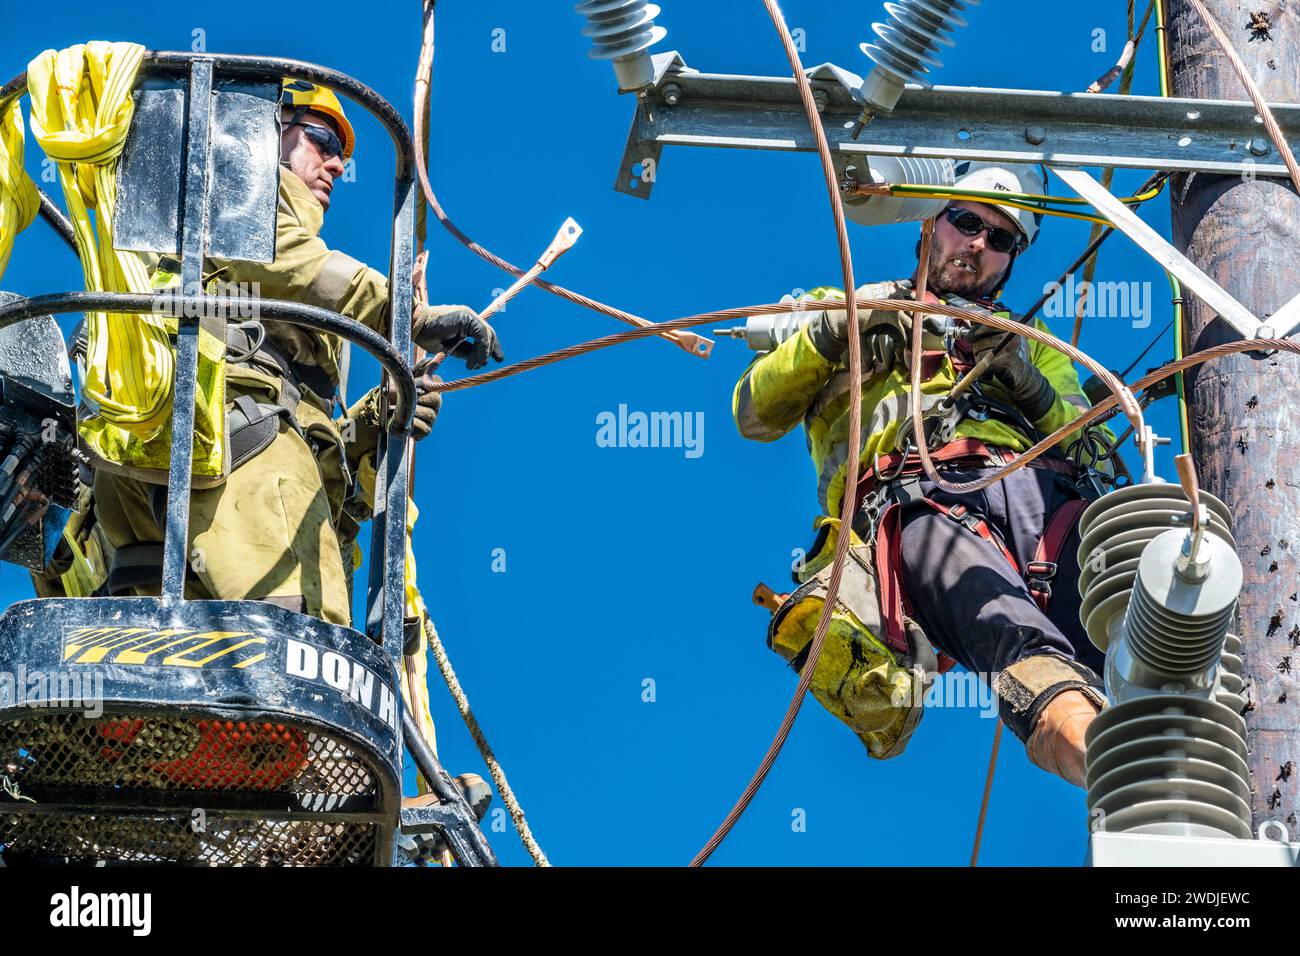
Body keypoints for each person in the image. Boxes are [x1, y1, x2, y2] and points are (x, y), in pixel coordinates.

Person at [733, 162, 1111, 787]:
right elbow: (754, 411)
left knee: (1141, 621)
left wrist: (1026, 382)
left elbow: (1092, 440)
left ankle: (1204, 774)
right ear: (931, 223)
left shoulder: (1031, 340)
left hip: (1043, 497)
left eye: (1002, 240)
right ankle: (1104, 757)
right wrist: (843, 329)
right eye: (967, 223)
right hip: (913, 503)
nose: (978, 245)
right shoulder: (847, 304)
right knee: (1007, 633)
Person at [91, 79, 501, 626]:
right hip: (226, 454)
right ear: (266, 131)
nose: (336, 165)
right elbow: (289, 263)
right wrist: (406, 316)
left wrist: (375, 422)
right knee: (299, 649)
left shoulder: (300, 314)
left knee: (210, 683)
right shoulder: (222, 199)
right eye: (322, 140)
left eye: (341, 155)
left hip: (193, 480)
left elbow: (317, 454)